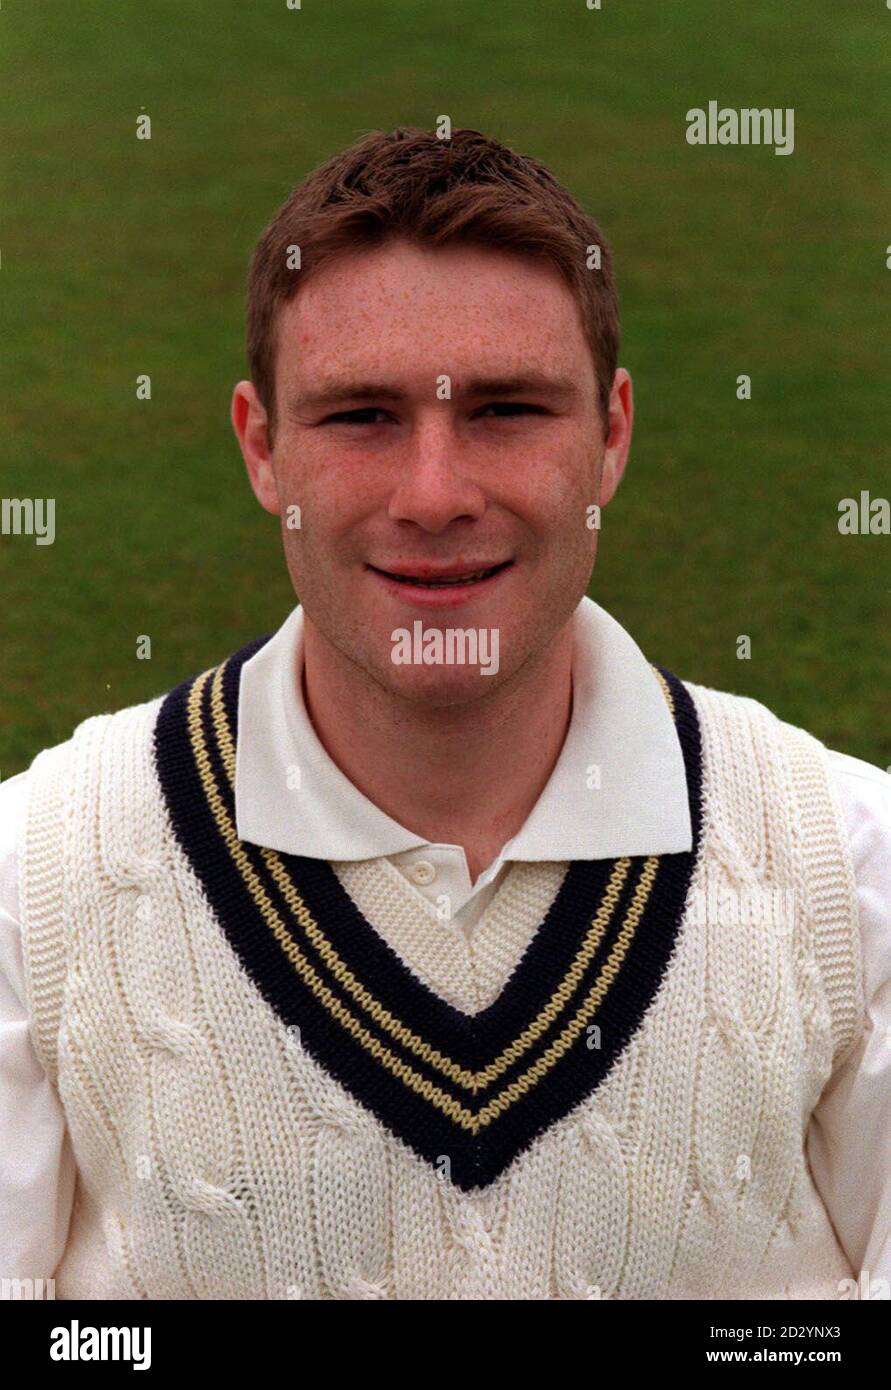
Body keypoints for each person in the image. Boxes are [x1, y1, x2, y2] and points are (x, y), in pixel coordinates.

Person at [1, 127, 888, 1301]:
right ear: (262, 448)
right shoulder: (36, 879)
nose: (434, 496)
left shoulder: (852, 868)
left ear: (612, 434)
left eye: (508, 410)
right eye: (361, 417)